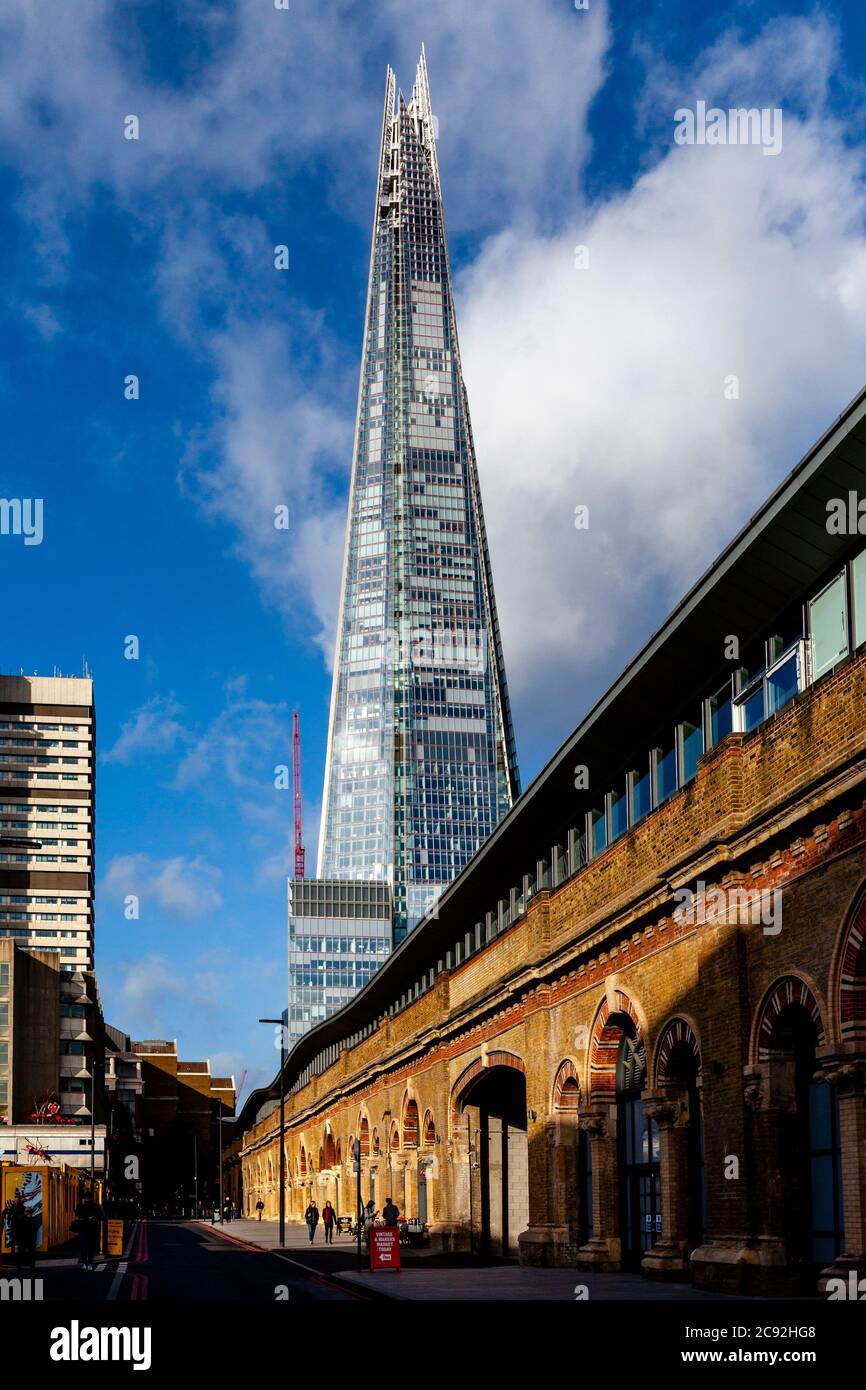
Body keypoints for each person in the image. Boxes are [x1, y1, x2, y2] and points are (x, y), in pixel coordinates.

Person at [74, 1189, 101, 1270]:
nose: (87, 1199)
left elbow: (77, 1214)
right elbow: (100, 1216)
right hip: (90, 1229)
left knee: (86, 1246)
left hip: (85, 1229)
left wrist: (92, 1218)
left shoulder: (82, 1206)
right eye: (86, 1198)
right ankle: (87, 1263)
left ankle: (86, 1263)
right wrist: (91, 1218)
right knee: (89, 1246)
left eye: (88, 1198)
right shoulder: (95, 1206)